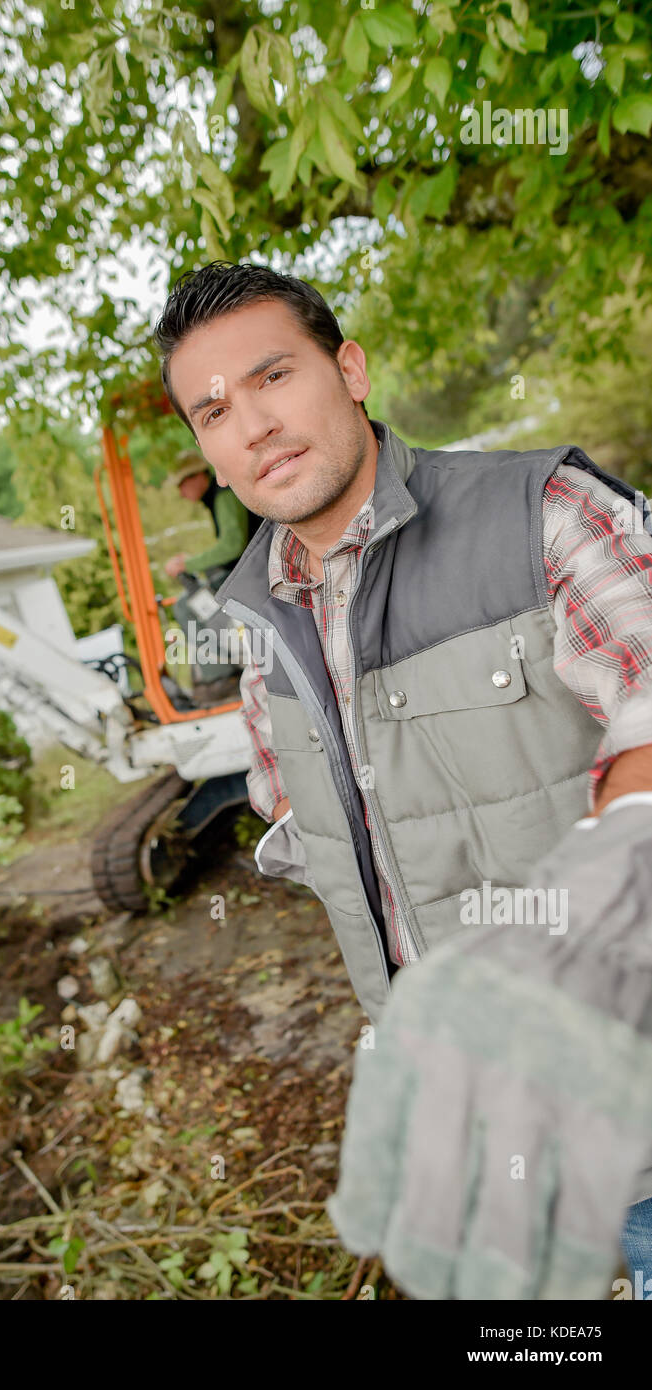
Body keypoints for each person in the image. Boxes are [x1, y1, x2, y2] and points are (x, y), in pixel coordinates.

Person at [152, 258, 652, 1301]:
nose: (251, 424)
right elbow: (315, 825)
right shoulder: (259, 628)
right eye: (211, 410)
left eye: (273, 376)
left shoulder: (540, 512)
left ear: (350, 369)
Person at [163, 449, 260, 696]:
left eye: (182, 485)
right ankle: (229, 668)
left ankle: (220, 678)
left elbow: (232, 545)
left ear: (197, 477)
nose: (180, 493)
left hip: (253, 573)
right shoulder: (217, 498)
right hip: (246, 570)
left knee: (185, 606)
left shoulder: (224, 496)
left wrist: (189, 564)